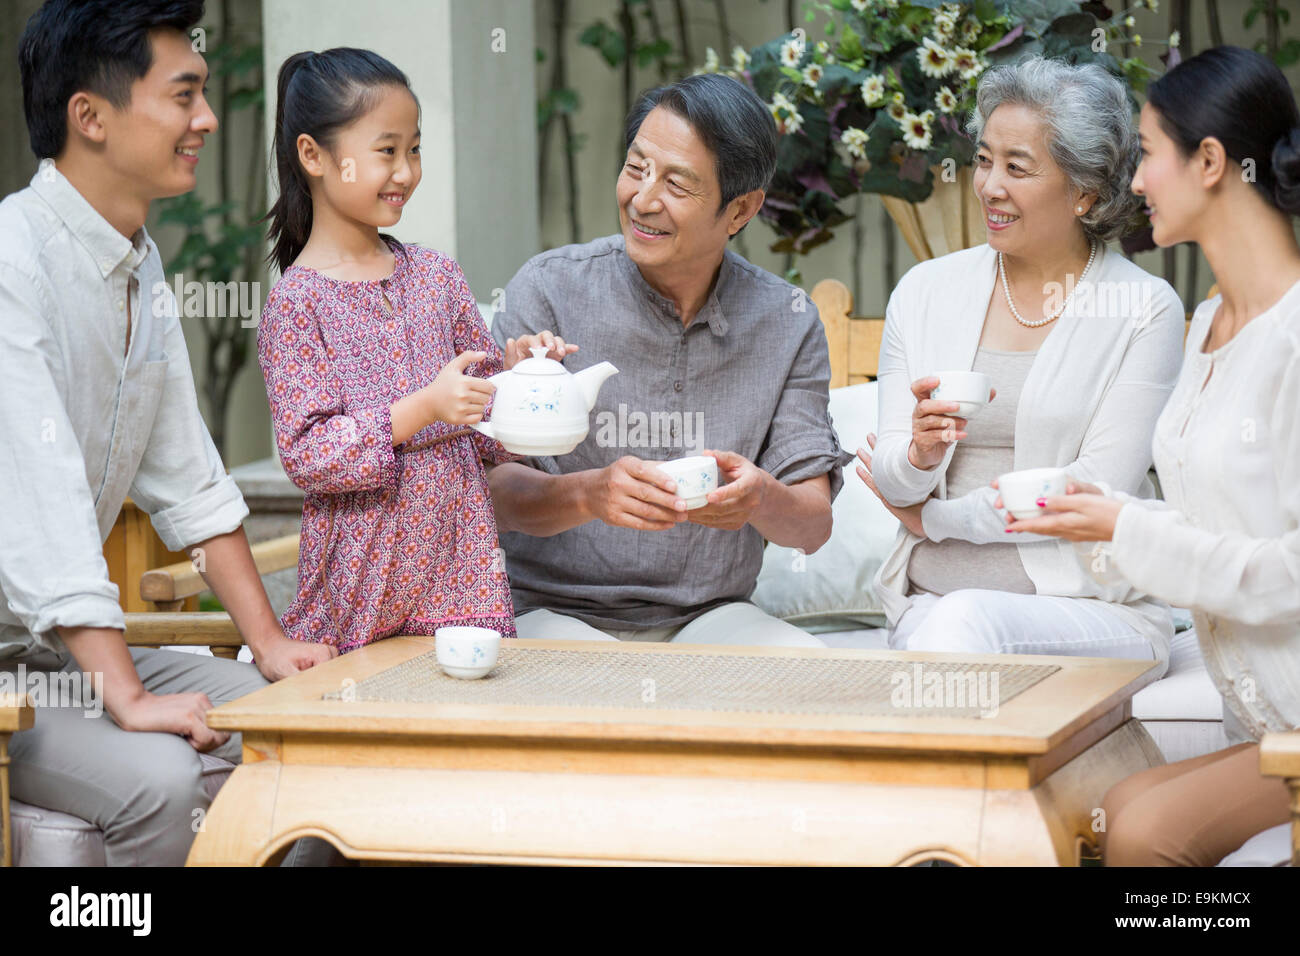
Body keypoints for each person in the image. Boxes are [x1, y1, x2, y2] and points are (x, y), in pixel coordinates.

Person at [0, 0, 334, 866]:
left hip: (64, 655)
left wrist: (268, 644)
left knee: (314, 726)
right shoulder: (11, 261)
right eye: (184, 95)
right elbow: (37, 499)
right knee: (161, 777)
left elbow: (191, 477)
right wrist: (128, 695)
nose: (207, 120)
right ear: (92, 117)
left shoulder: (138, 263)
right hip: (13, 668)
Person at [1003, 46, 1300, 866]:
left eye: (1150, 155)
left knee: (1141, 830)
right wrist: (1102, 522)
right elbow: (1210, 516)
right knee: (1113, 801)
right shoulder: (1208, 325)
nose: (1134, 183)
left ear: (1210, 162)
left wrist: (1126, 531)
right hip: (1266, 718)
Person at [487, 74, 845, 646]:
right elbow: (492, 491)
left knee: (816, 686)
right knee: (608, 712)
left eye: (677, 183)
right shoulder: (549, 290)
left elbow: (812, 525)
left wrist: (758, 498)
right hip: (553, 613)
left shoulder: (786, 319)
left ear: (740, 209)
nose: (644, 199)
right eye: (636, 168)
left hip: (712, 616)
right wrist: (589, 495)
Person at [854, 56, 1184, 666]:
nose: (988, 186)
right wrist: (921, 455)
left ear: (1084, 190)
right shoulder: (926, 292)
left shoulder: (1143, 310)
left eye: (1017, 167)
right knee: (950, 625)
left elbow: (1085, 494)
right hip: (931, 604)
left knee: (962, 622)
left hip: (1091, 611)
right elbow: (893, 480)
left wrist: (938, 521)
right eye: (983, 160)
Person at [260, 48, 562, 652]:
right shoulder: (295, 305)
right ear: (313, 156)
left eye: (414, 149)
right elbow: (309, 456)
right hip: (357, 592)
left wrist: (526, 374)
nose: (406, 171)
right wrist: (424, 407)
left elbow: (491, 427)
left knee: (465, 726)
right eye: (387, 150)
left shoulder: (437, 276)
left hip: (461, 575)